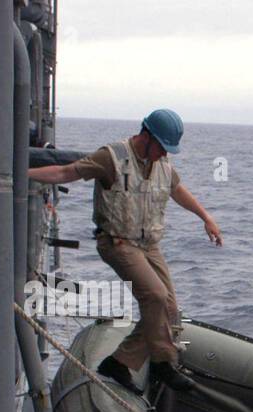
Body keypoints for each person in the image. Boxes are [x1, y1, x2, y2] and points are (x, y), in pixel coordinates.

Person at [29, 108, 222, 393]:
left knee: (167, 308)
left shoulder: (162, 164)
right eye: (161, 147)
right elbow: (65, 171)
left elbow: (177, 190)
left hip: (148, 244)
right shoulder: (111, 157)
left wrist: (206, 218)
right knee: (155, 296)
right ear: (146, 136)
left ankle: (119, 362)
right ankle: (163, 364)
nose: (163, 155)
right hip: (118, 243)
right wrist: (22, 173)